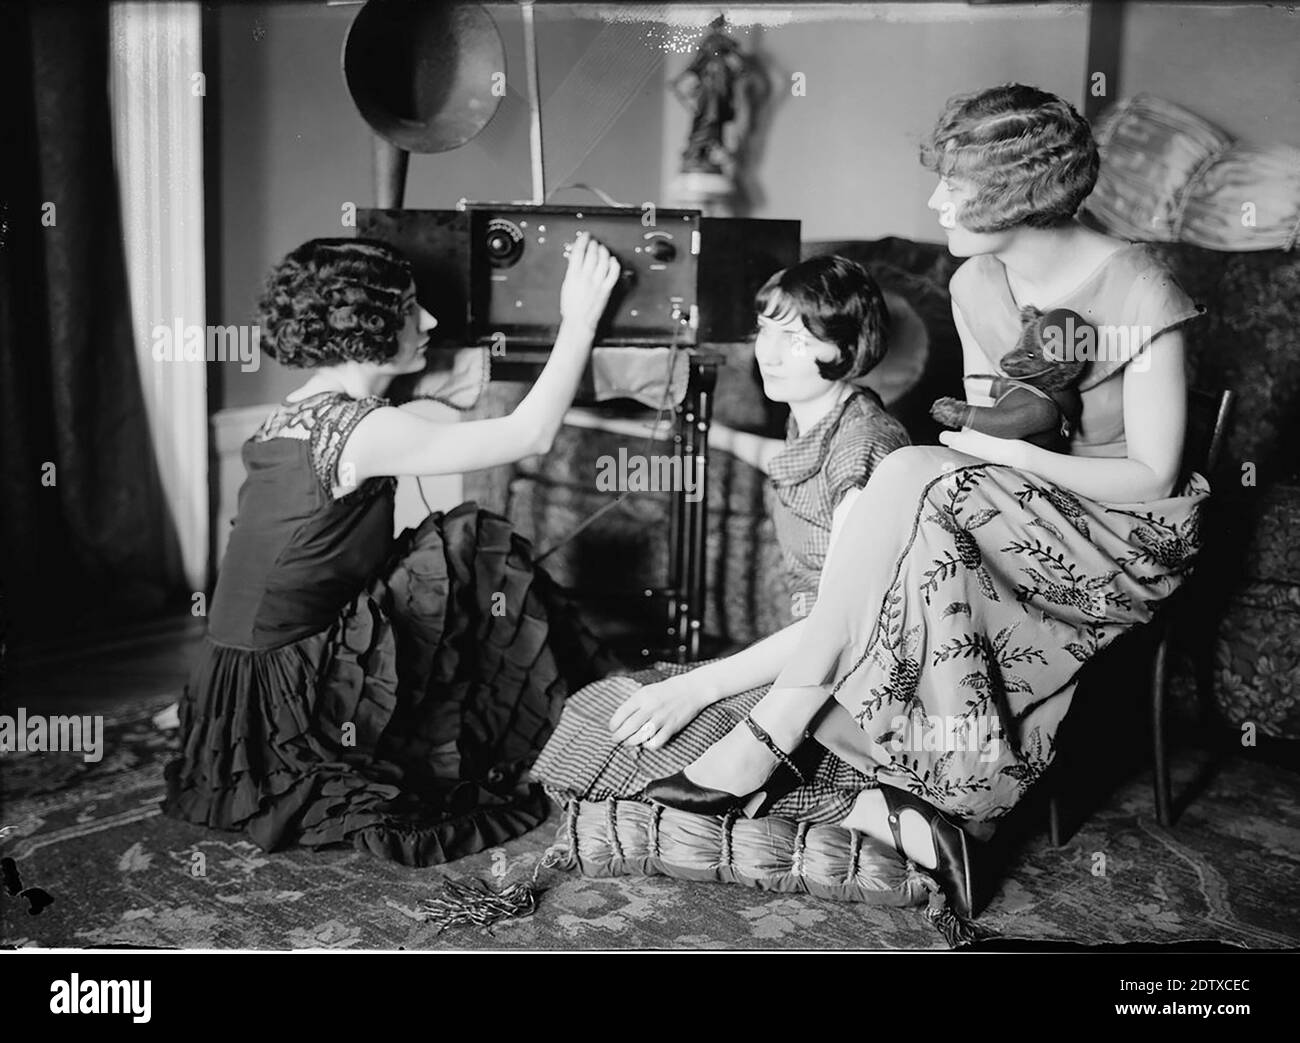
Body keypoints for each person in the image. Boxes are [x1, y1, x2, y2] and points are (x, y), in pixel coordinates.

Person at [643, 84, 1210, 920]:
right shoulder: (977, 280)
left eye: (957, 185)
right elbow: (1002, 421)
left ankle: (780, 738)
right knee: (915, 494)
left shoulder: (1142, 289)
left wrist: (1004, 454)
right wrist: (999, 450)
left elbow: (1153, 477)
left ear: (1020, 196)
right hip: (1020, 503)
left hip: (1126, 531)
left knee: (912, 481)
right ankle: (906, 799)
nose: (935, 200)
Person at [163, 233, 621, 866]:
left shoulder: (294, 412)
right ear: (370, 327)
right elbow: (531, 434)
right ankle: (585, 719)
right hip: (297, 694)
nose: (428, 320)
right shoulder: (367, 429)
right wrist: (581, 319)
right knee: (472, 539)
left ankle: (567, 713)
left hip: (234, 681)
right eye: (411, 308)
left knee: (446, 550)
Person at [606, 256, 911, 756]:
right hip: (806, 660)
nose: (768, 353)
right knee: (613, 706)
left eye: (796, 339)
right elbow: (787, 461)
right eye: (764, 330)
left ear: (846, 347)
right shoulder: (825, 419)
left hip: (850, 683)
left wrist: (697, 688)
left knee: (638, 744)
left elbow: (837, 624)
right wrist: (694, 435)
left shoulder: (866, 448)